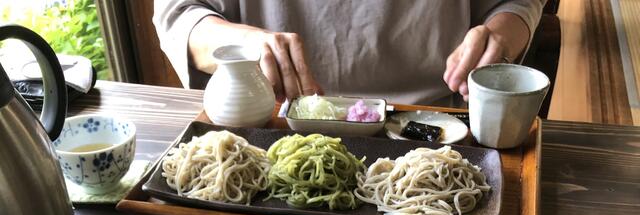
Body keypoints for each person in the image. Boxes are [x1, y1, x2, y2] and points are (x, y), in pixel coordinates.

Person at [154, 1, 544, 106]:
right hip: (272, 120)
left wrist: (499, 35)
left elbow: (518, 2)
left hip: (435, 125)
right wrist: (244, 46)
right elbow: (178, 12)